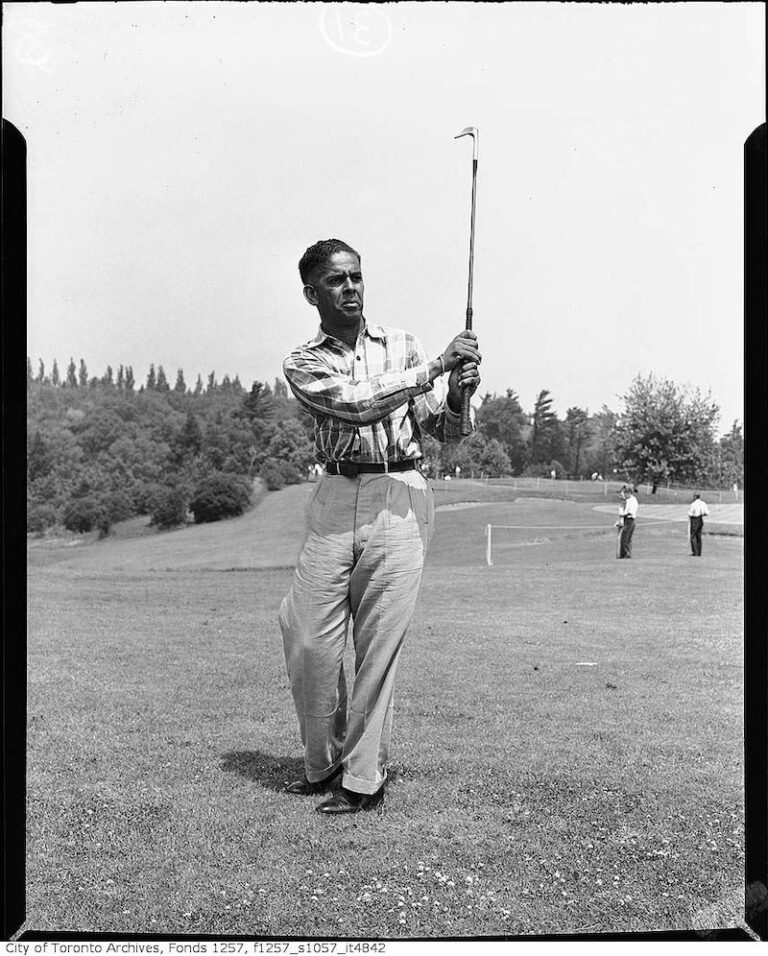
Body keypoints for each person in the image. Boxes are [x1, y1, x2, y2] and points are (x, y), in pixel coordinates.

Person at [278, 238, 481, 815]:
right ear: (312, 293)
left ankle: (362, 779)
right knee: (308, 637)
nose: (352, 289)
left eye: (357, 278)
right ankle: (321, 762)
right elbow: (356, 404)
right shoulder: (303, 362)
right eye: (338, 281)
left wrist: (459, 395)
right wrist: (436, 369)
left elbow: (446, 431)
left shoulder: (404, 347)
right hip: (336, 494)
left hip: (402, 490)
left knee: (378, 645)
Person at [615, 485, 638, 558]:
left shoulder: (632, 501)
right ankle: (625, 554)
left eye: (625, 493)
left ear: (629, 493)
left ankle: (625, 555)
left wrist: (622, 515)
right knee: (625, 539)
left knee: (625, 539)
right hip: (626, 520)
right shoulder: (627, 501)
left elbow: (630, 512)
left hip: (629, 520)